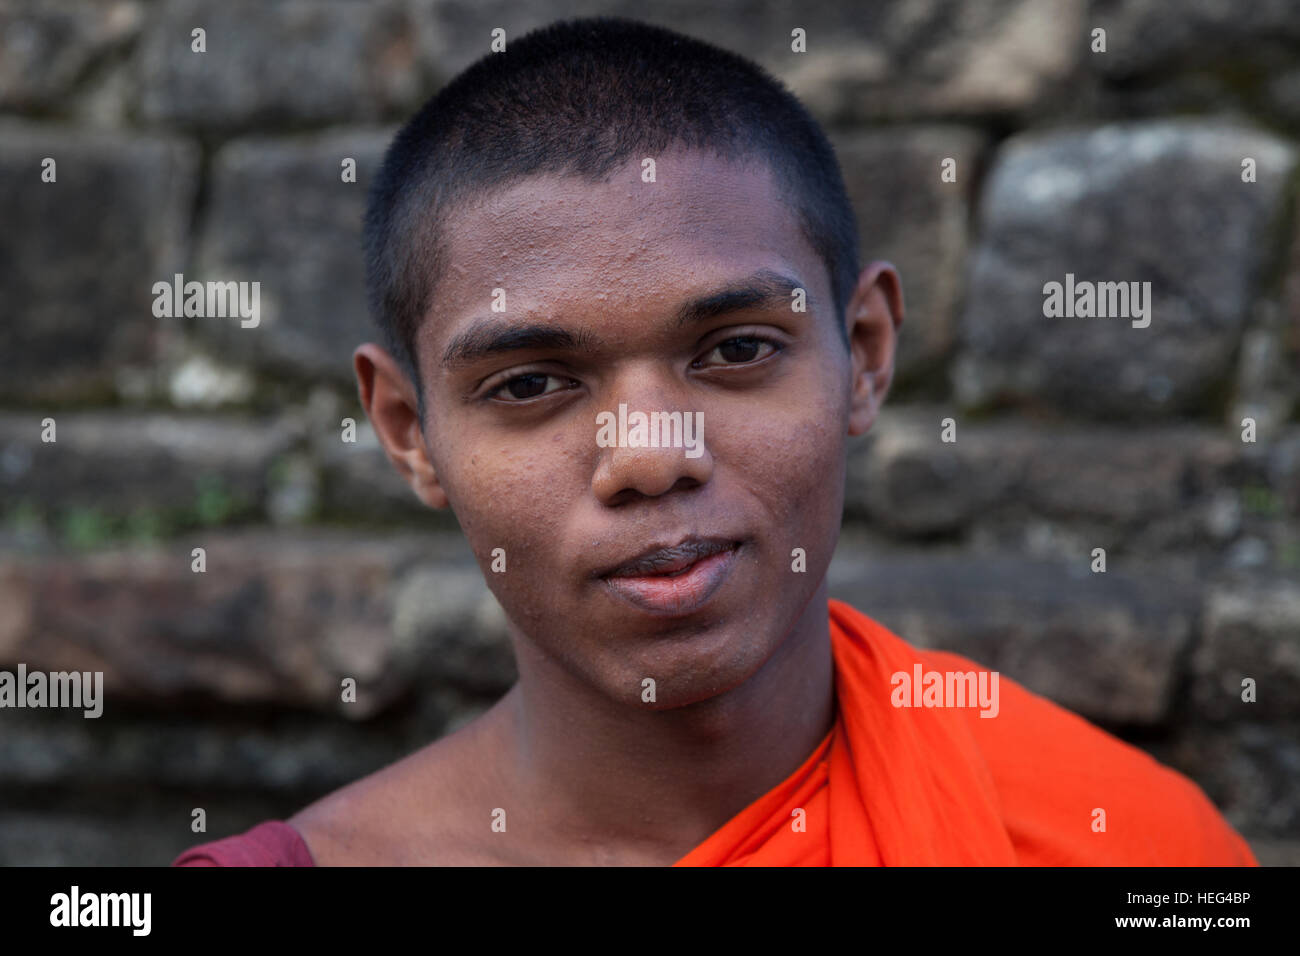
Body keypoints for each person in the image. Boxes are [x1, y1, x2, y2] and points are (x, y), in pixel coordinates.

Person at [175, 16, 1255, 867]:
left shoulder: (1121, 838)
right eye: (532, 382)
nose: (650, 455)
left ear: (865, 352)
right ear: (410, 435)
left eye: (735, 352)